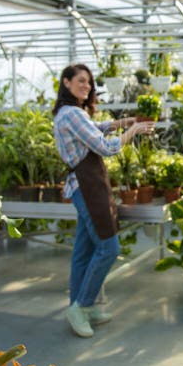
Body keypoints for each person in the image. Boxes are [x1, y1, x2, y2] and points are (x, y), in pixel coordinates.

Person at [52, 64, 155, 338]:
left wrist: (125, 122)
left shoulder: (71, 113)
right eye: (81, 81)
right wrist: (133, 131)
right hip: (87, 188)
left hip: (88, 185)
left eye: (89, 82)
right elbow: (107, 147)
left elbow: (95, 127)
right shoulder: (72, 114)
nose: (87, 86)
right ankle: (81, 306)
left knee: (83, 251)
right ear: (66, 82)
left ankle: (83, 305)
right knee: (109, 247)